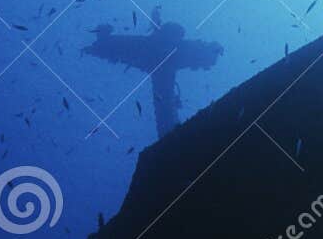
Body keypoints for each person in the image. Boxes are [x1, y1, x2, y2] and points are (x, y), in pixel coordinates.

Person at [83, 9, 223, 141]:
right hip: (153, 61)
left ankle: (102, 42)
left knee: (165, 109)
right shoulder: (177, 51)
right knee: (166, 109)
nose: (198, 67)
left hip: (149, 59)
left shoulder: (171, 51)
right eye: (201, 64)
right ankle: (102, 42)